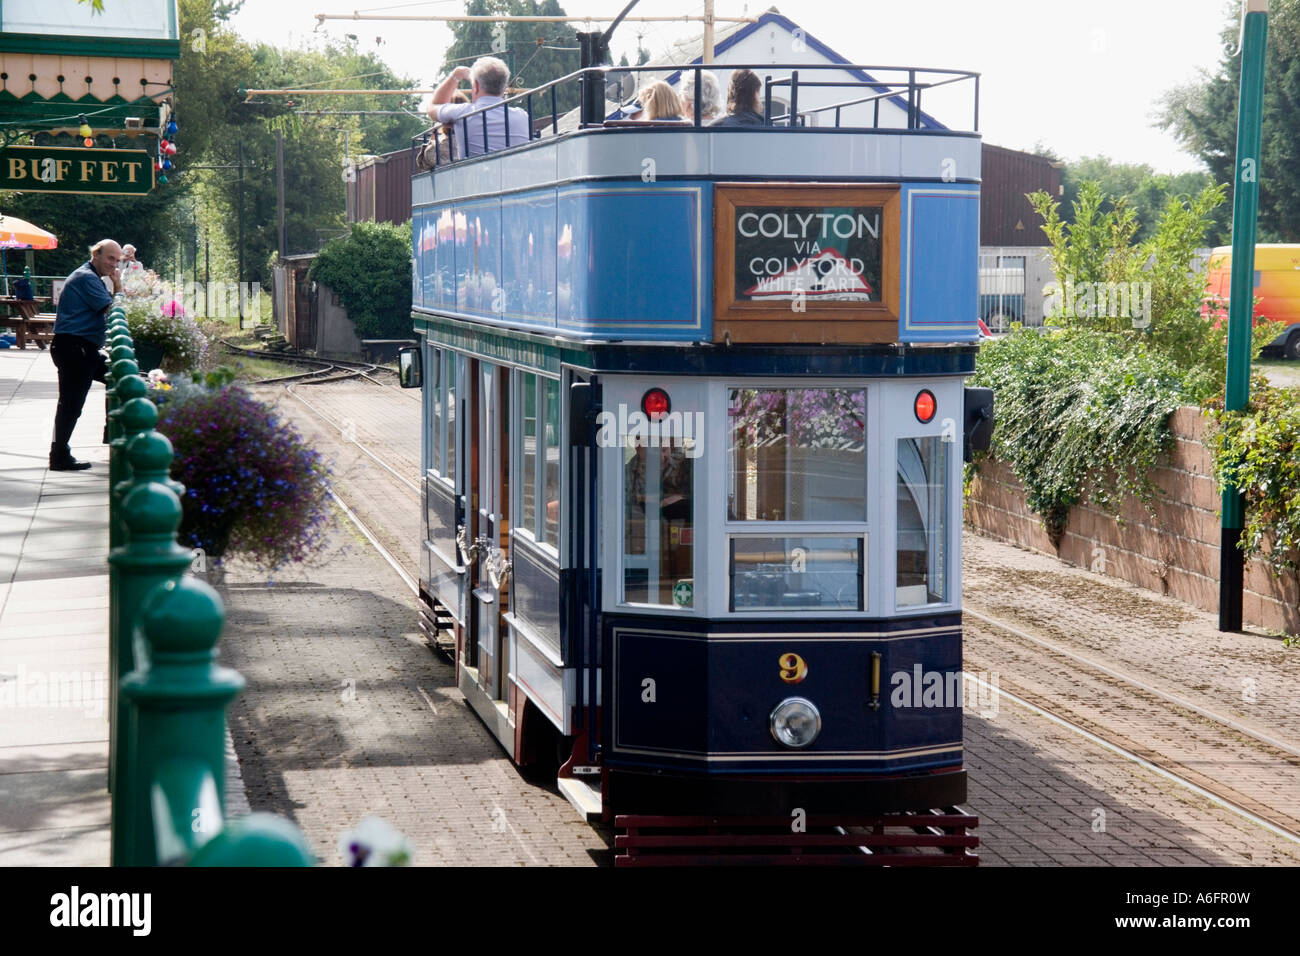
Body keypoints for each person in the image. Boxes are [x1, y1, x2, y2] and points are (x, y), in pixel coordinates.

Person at [48, 239, 121, 471]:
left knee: (117, 377)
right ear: (96, 254)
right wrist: (118, 285)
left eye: (117, 260)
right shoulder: (87, 278)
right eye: (110, 258)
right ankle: (59, 455)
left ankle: (112, 433)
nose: (114, 264)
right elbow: (111, 308)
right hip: (74, 348)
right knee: (71, 403)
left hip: (81, 348)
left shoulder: (91, 276)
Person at [427, 56, 530, 159]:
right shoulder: (522, 116)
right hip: (516, 174)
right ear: (504, 88)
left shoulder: (462, 113)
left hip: (475, 174)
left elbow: (433, 107)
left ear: (475, 86)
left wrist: (457, 74)